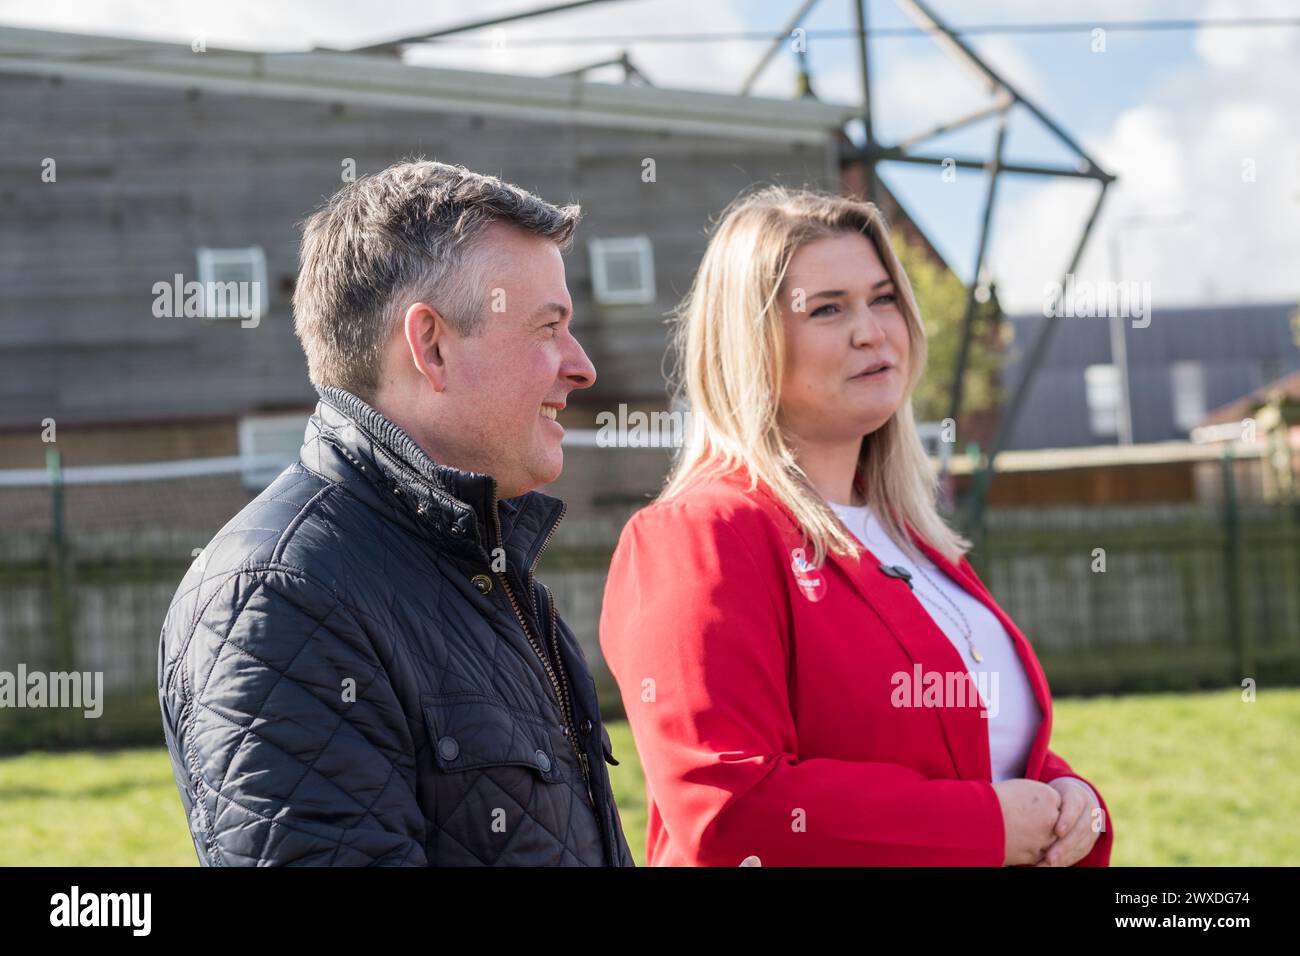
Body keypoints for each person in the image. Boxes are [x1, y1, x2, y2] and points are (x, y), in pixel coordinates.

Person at [598, 186, 1113, 867]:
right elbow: (729, 812)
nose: (871, 330)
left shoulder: (910, 536)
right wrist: (984, 825)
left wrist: (1066, 795)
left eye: (884, 298)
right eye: (827, 309)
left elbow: (969, 745)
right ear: (750, 344)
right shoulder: (701, 533)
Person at [158, 160, 634, 866]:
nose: (582, 365)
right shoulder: (282, 595)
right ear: (431, 346)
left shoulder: (477, 563)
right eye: (547, 328)